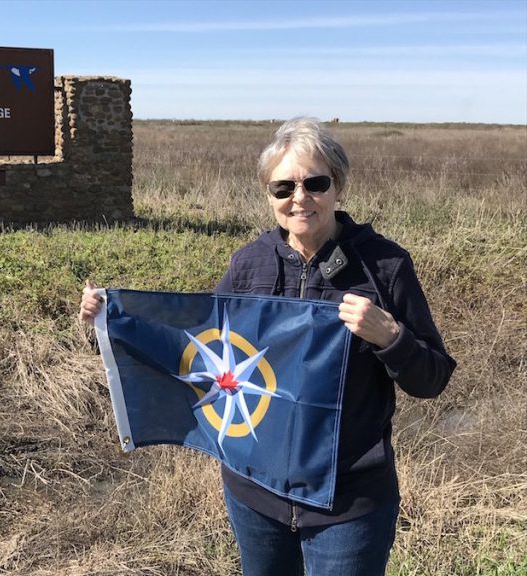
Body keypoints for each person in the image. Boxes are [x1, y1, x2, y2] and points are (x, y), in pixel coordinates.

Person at [79, 116, 456, 576]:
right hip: (254, 495)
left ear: (338, 187)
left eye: (315, 183)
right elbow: (193, 348)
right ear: (269, 195)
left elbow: (433, 378)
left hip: (349, 503)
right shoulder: (249, 264)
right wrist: (110, 321)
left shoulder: (385, 266)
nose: (300, 198)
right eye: (284, 188)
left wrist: (391, 338)